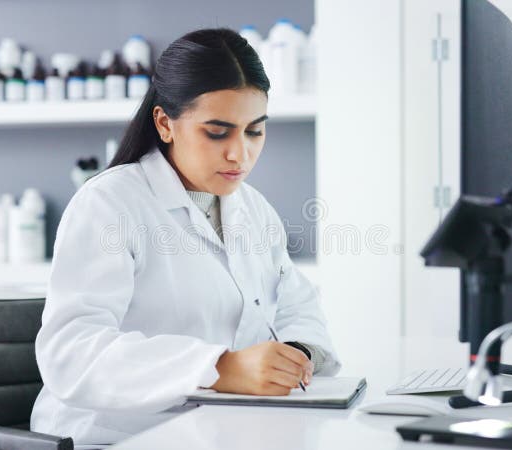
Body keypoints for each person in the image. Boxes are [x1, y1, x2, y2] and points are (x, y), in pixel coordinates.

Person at [30, 28, 340, 445]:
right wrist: (219, 368)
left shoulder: (253, 209)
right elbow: (72, 353)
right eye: (217, 131)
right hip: (111, 437)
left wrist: (297, 352)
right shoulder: (109, 204)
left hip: (213, 430)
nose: (240, 154)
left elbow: (295, 303)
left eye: (254, 131)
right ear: (165, 123)